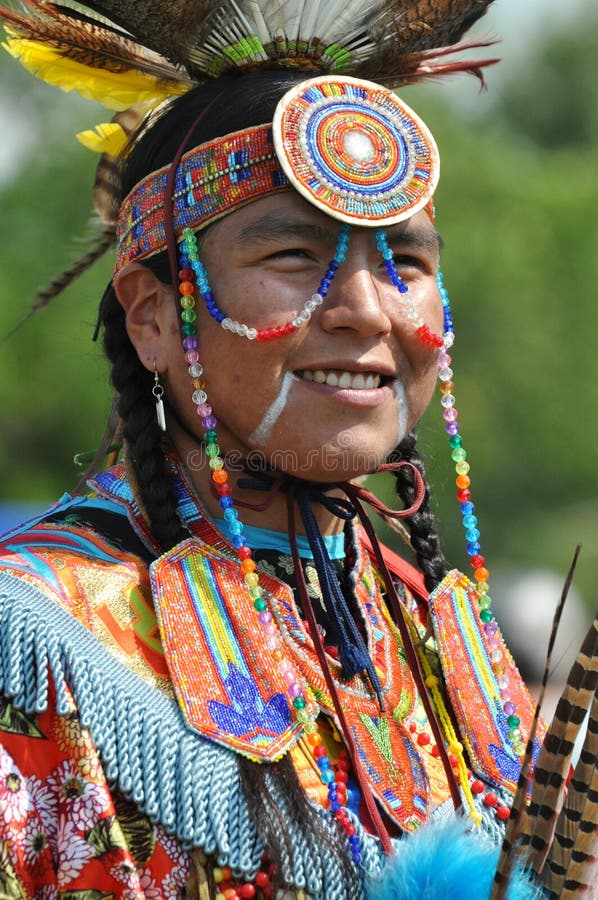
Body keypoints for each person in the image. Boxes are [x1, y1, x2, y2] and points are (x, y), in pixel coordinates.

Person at [0, 2, 557, 897]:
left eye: (406, 264)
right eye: (296, 255)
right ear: (152, 316)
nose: (368, 310)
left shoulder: (442, 638)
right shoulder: (36, 639)